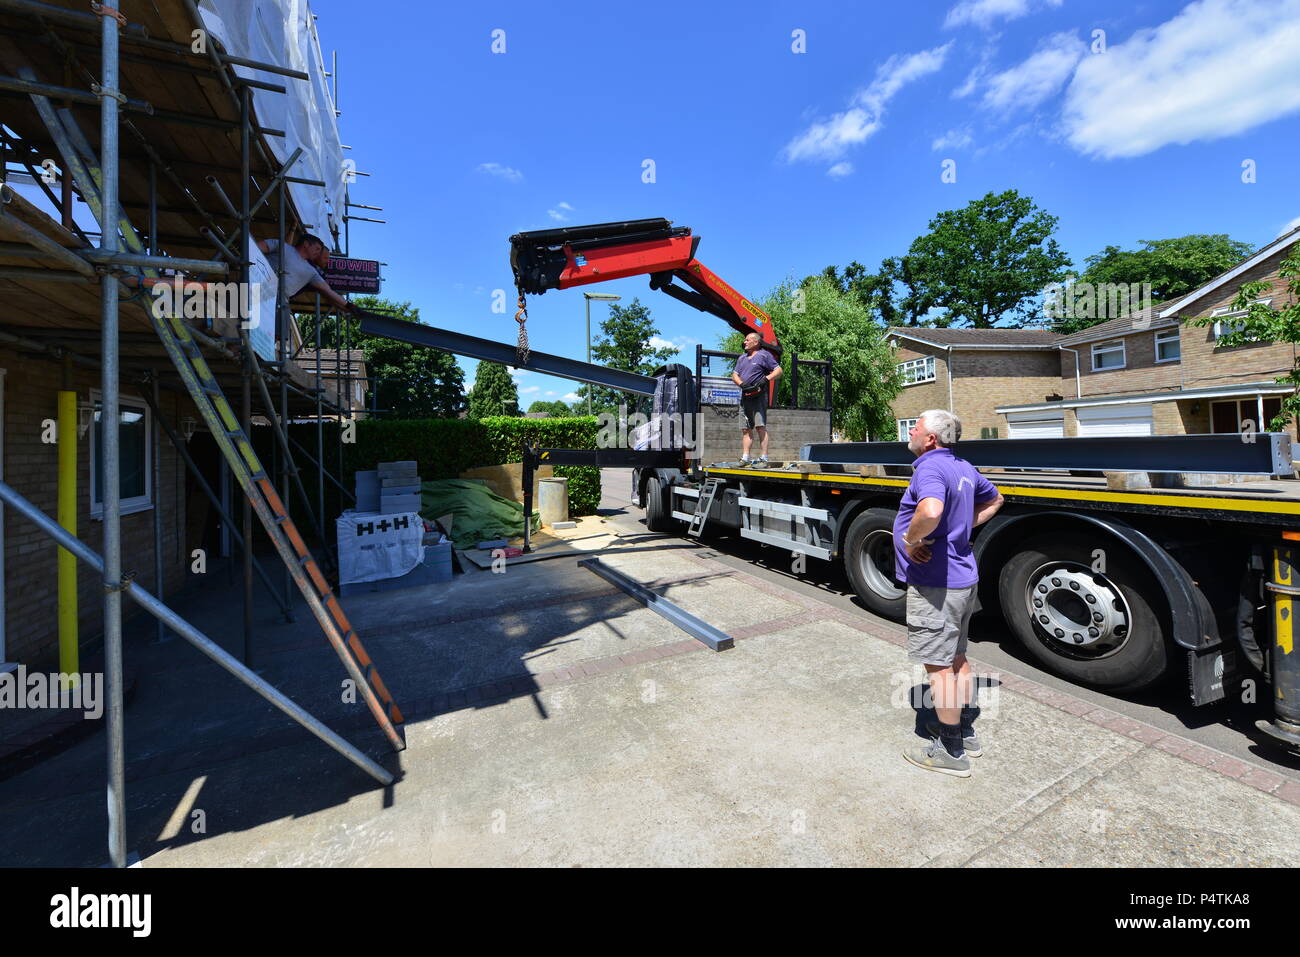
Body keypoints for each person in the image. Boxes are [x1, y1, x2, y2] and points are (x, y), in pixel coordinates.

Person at [895, 409, 1004, 777]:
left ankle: (950, 751)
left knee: (938, 668)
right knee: (957, 658)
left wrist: (913, 540)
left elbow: (929, 509)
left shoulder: (928, 467)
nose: (910, 429)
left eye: (916, 425)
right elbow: (995, 500)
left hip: (936, 584)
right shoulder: (963, 466)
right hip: (962, 580)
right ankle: (965, 733)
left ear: (929, 439)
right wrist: (960, 528)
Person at [256, 233, 353, 313]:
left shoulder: (312, 272)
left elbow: (328, 291)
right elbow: (254, 249)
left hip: (279, 302)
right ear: (306, 244)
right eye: (317, 249)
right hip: (258, 286)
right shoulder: (282, 246)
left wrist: (350, 306)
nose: (318, 253)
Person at [731, 332, 781, 466]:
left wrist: (766, 379)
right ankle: (745, 458)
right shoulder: (742, 358)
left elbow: (778, 371)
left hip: (759, 397)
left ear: (756, 342)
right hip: (745, 397)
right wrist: (742, 384)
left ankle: (764, 458)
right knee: (746, 429)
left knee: (760, 427)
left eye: (747, 340)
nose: (745, 342)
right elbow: (734, 375)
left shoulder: (764, 355)